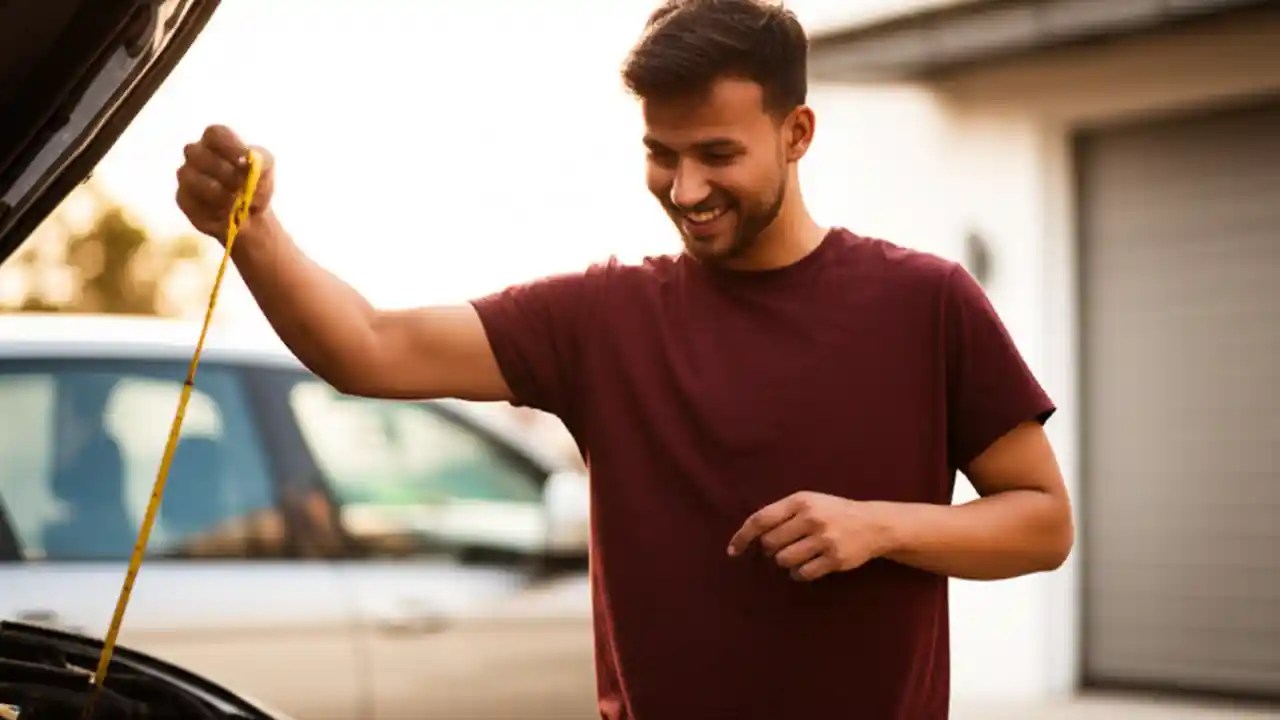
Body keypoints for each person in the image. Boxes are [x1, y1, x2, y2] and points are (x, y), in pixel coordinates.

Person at [174, 1, 1074, 717]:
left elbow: (1041, 521)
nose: (685, 191)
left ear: (797, 133)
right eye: (661, 154)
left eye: (718, 154)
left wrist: (880, 526)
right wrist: (249, 232)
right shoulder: (602, 318)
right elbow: (368, 349)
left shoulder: (926, 301)